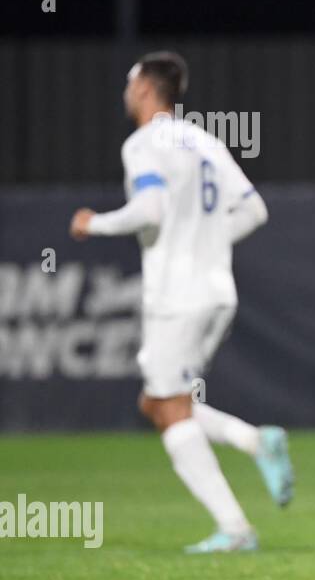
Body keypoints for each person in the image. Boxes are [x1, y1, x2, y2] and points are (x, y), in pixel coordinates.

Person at [69, 52, 294, 553]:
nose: (126, 93)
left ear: (146, 89)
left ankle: (235, 528)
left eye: (130, 84)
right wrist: (209, 243)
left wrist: (93, 224)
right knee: (159, 402)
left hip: (176, 296)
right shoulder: (206, 140)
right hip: (217, 293)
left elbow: (149, 210)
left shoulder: (144, 143)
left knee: (170, 409)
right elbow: (254, 210)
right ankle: (255, 441)